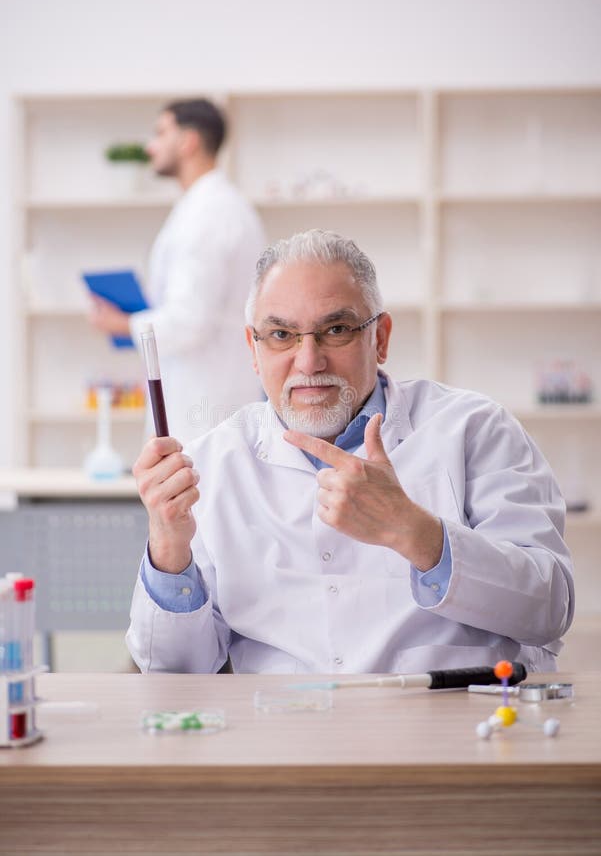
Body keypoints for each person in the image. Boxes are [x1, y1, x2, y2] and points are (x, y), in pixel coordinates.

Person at [126, 229, 574, 675]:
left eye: (335, 330)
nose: (308, 361)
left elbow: (549, 608)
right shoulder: (211, 464)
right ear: (254, 349)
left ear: (380, 337)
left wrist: (414, 532)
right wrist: (168, 546)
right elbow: (172, 672)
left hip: (455, 724)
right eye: (282, 334)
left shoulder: (474, 430)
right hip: (283, 733)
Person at [89, 98, 266, 440]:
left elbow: (189, 321)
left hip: (204, 404)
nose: (150, 146)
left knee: (196, 488)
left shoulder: (208, 214)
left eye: (160, 133)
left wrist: (122, 324)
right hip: (208, 395)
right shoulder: (208, 207)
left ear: (188, 142)